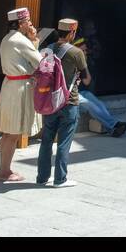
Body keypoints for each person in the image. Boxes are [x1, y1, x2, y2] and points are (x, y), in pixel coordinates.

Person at [37, 19, 88, 188]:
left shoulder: (47, 50)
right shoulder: (76, 53)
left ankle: (42, 177)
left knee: (46, 140)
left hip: (50, 101)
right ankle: (60, 179)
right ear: (72, 33)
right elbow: (87, 78)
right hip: (68, 101)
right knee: (64, 142)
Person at [0, 7, 42, 182]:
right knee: (13, 132)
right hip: (20, 87)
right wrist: (34, 39)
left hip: (11, 85)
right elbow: (38, 61)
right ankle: (4, 171)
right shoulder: (20, 40)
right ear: (21, 23)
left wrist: (31, 40)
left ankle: (4, 169)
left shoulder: (7, 39)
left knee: (9, 132)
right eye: (28, 21)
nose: (30, 24)